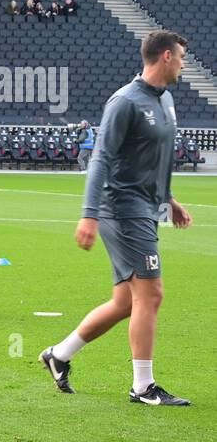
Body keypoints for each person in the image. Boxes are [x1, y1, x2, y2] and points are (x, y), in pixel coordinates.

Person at [40, 31, 193, 406]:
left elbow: (154, 156)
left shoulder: (166, 99)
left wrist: (169, 199)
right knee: (152, 294)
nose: (186, 64)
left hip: (146, 207)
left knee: (126, 301)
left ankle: (59, 355)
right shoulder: (125, 101)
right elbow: (102, 160)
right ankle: (143, 387)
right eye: (183, 58)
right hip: (122, 210)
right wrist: (88, 215)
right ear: (167, 56)